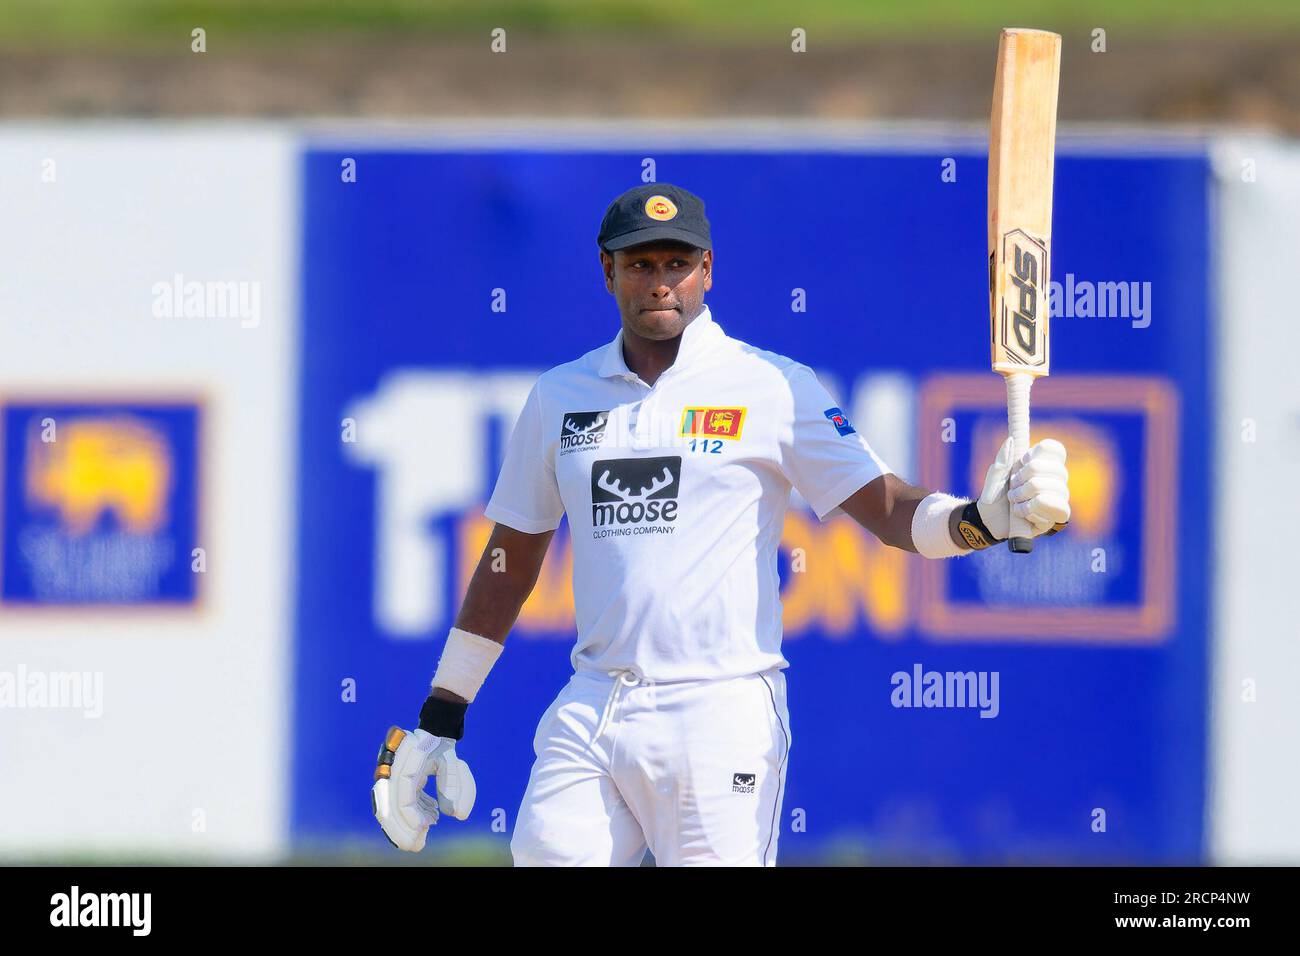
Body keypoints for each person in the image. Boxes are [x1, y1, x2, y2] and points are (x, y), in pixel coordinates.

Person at [371, 183, 1070, 866]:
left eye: (678, 263)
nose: (661, 282)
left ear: (707, 271)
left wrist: (981, 520)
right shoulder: (560, 396)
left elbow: (887, 509)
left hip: (721, 709)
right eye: (641, 264)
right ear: (607, 270)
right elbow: (511, 557)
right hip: (595, 701)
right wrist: (443, 711)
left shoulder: (771, 385)